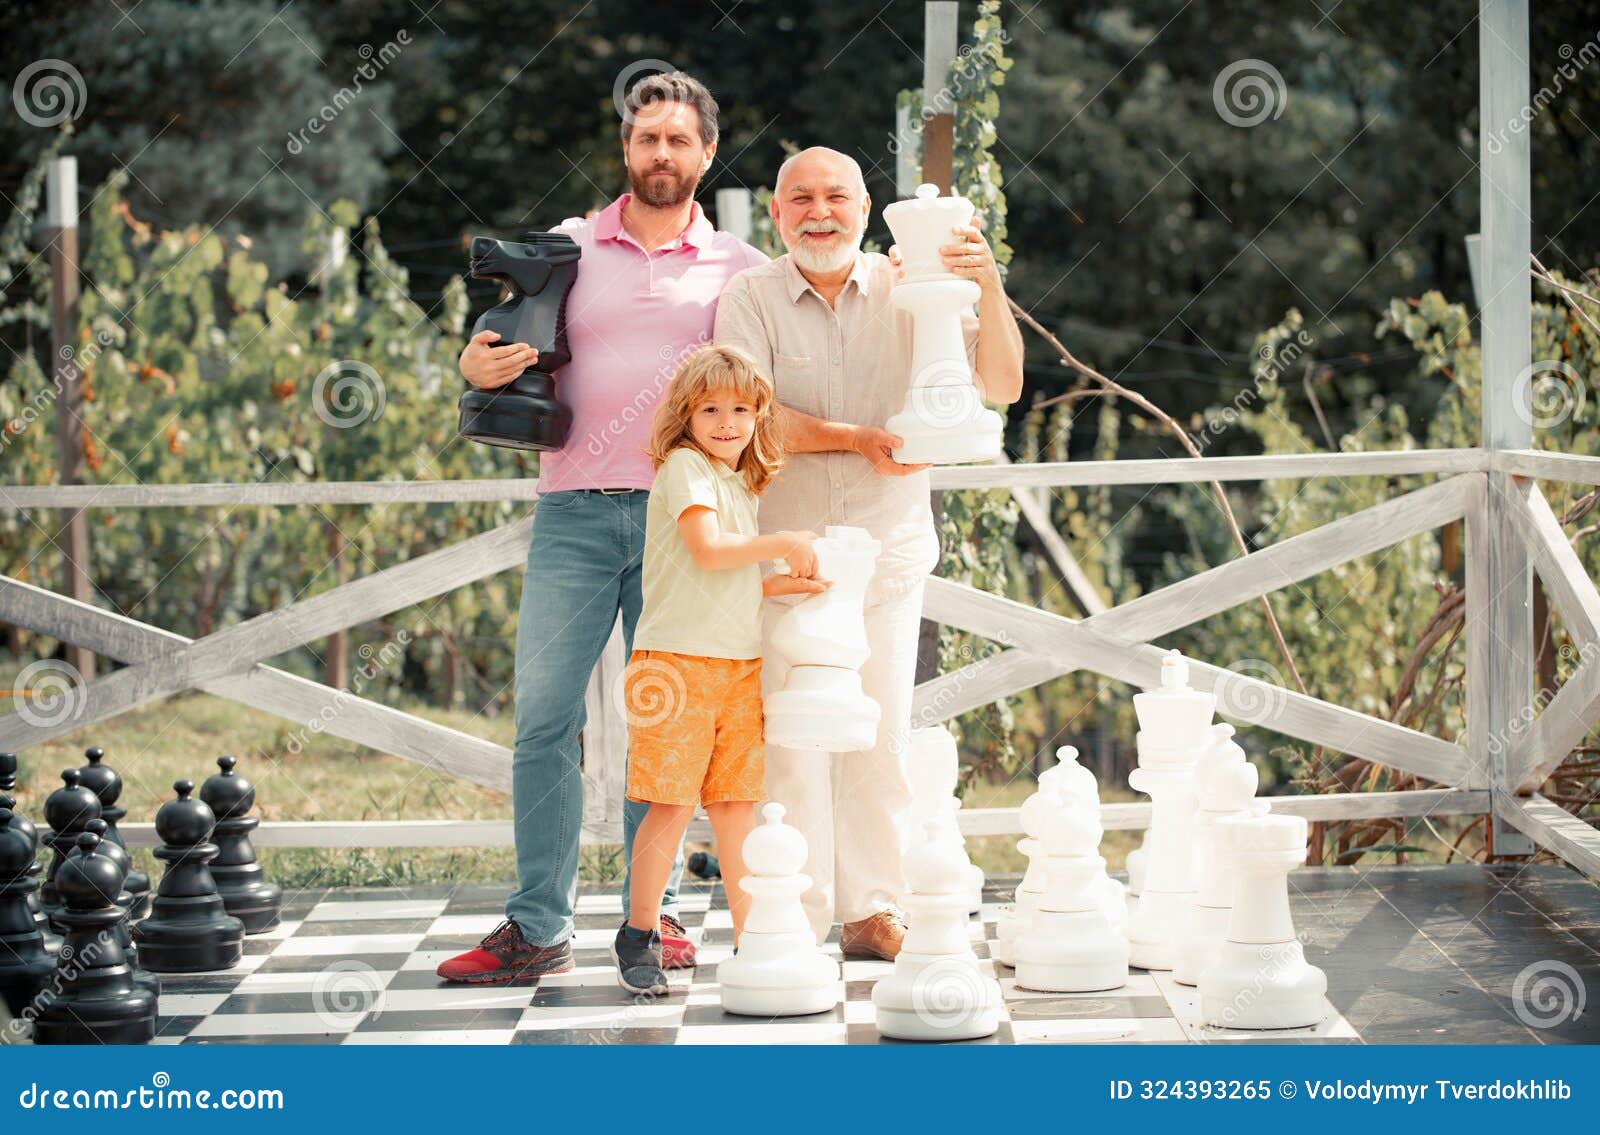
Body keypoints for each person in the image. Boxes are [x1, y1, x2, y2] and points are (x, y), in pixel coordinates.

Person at [438, 73, 766, 985]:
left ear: (706, 152)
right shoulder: (571, 247)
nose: (661, 153)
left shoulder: (739, 267)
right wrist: (474, 357)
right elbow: (504, 336)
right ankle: (536, 926)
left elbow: (766, 389)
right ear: (626, 148)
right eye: (645, 137)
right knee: (543, 722)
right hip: (575, 513)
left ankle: (649, 920)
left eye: (678, 139)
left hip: (682, 526)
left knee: (661, 727)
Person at [714, 146, 1025, 959]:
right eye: (801, 198)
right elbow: (746, 417)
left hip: (886, 552)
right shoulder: (747, 299)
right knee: (789, 741)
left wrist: (986, 282)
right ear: (777, 215)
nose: (819, 212)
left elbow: (1002, 383)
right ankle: (792, 910)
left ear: (865, 207)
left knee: (881, 738)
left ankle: (871, 907)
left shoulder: (910, 289)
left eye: (837, 197)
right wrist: (855, 438)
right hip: (786, 559)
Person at [611, 344, 828, 994]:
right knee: (671, 806)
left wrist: (777, 586)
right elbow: (707, 552)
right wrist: (784, 543)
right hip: (676, 666)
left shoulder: (737, 482)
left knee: (737, 810)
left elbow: (725, 582)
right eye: (710, 408)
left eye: (740, 408)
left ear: (760, 414)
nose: (727, 421)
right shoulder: (685, 467)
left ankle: (751, 941)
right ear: (688, 415)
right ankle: (640, 930)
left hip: (736, 667)